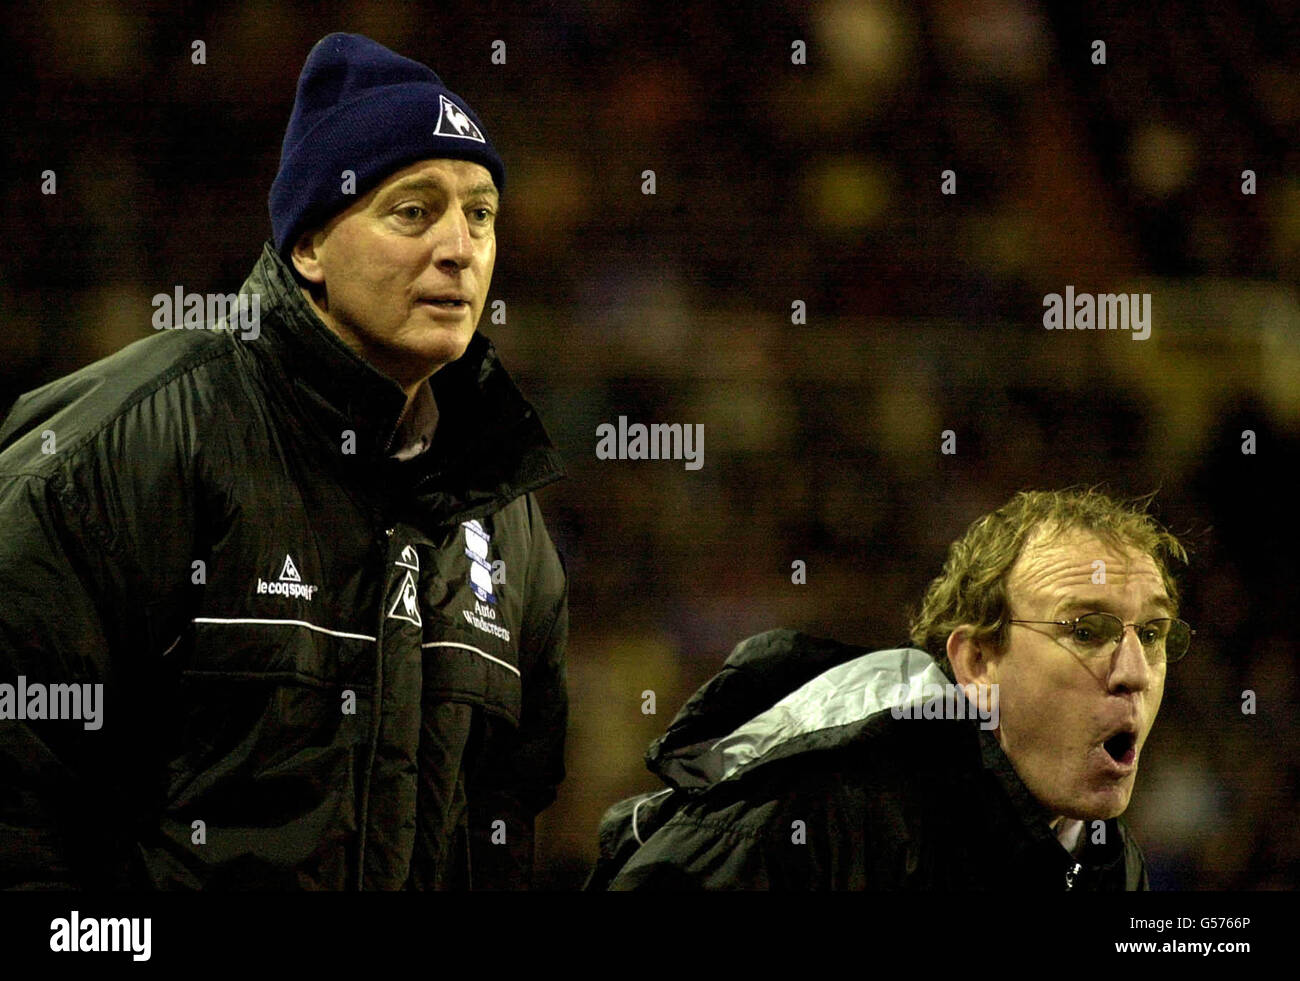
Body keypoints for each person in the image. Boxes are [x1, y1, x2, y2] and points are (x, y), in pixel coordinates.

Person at [0, 33, 568, 890]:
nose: (460, 247)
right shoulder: (132, 442)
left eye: (480, 213)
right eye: (413, 211)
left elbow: (506, 820)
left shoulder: (501, 509)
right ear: (308, 245)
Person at [591, 488, 1189, 890]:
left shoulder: (1103, 857)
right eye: (1086, 631)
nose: (1134, 671)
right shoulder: (816, 811)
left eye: (1156, 633)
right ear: (978, 663)